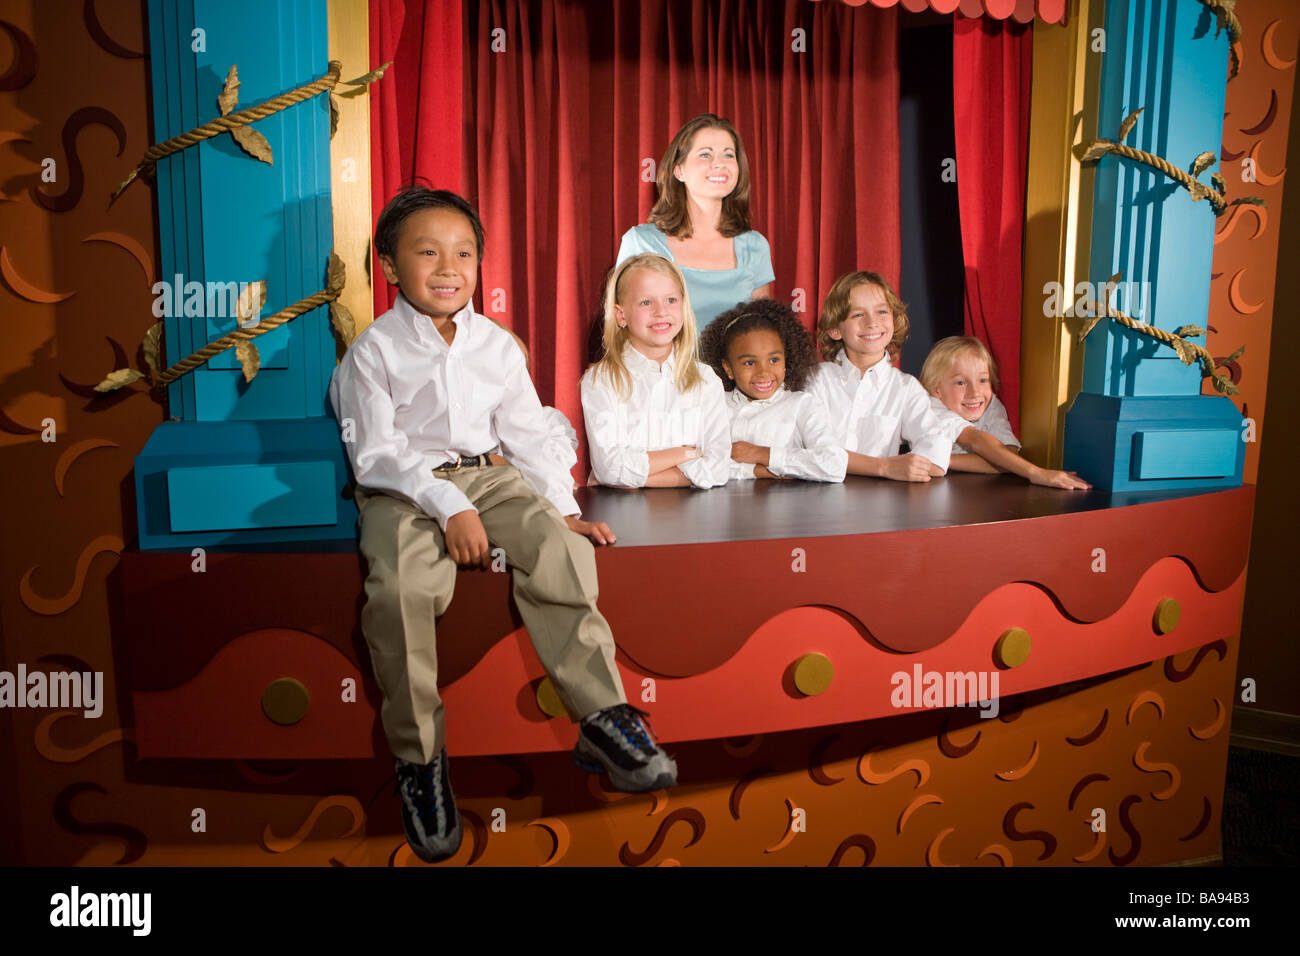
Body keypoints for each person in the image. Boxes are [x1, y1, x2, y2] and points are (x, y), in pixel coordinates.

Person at [329, 186, 677, 864]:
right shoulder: (372, 353)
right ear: (391, 266)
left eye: (463, 252)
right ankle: (419, 759)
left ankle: (603, 718)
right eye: (426, 252)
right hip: (404, 491)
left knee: (555, 550)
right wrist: (448, 506)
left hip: (491, 478)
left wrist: (562, 509)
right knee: (400, 592)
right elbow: (376, 454)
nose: (447, 266)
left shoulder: (495, 346)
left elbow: (526, 432)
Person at [580, 253, 731, 488]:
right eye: (646, 302)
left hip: (695, 516)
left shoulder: (706, 380)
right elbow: (610, 468)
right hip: (623, 516)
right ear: (621, 316)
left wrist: (638, 477)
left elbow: (720, 469)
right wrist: (686, 454)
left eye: (671, 300)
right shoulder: (601, 381)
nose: (661, 312)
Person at [616, 113, 774, 327]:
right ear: (679, 170)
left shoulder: (756, 246)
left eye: (729, 155)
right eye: (705, 154)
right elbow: (619, 330)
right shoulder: (641, 243)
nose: (719, 163)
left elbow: (762, 335)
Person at [806, 271, 963, 481]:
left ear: (894, 321)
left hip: (880, 506)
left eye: (881, 311)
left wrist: (911, 466)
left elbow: (936, 447)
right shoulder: (816, 380)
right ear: (835, 329)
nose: (872, 322)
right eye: (857, 314)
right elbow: (816, 452)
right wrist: (885, 467)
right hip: (816, 502)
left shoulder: (906, 388)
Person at [699, 299, 846, 482]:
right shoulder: (715, 403)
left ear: (786, 358)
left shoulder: (801, 404)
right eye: (750, 363)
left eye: (774, 360)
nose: (764, 372)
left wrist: (763, 454)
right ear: (728, 368)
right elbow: (698, 462)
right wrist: (757, 472)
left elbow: (835, 465)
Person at [920, 336, 1090, 489]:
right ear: (936, 390)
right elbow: (975, 440)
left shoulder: (989, 402)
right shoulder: (932, 408)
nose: (975, 392)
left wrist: (941, 460)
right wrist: (1038, 473)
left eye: (983, 380)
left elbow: (1008, 455)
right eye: (960, 382)